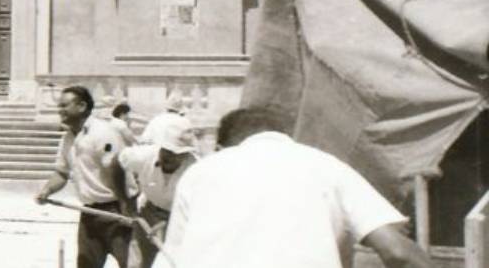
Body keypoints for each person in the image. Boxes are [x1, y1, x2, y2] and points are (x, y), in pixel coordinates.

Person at [163, 107, 433, 268]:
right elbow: (398, 251)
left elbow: (171, 261)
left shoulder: (200, 173)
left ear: (220, 148)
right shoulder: (326, 166)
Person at [34, 85, 133, 268]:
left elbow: (116, 168)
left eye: (64, 106)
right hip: (89, 213)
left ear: (81, 106)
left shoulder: (102, 132)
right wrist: (47, 190)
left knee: (131, 264)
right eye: (59, 106)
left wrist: (125, 205)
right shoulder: (68, 138)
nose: (60, 110)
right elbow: (61, 173)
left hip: (115, 210)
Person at [110, 115, 197, 268]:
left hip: (178, 219)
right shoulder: (143, 155)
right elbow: (116, 162)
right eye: (168, 151)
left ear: (186, 154)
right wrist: (125, 201)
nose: (171, 156)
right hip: (148, 213)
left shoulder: (196, 170)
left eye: (178, 153)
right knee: (137, 264)